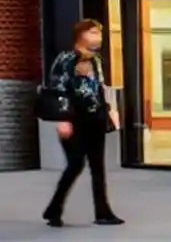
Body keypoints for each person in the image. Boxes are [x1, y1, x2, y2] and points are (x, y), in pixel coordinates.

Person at [42, 19, 124, 228]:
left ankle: (103, 212)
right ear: (81, 34)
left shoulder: (96, 60)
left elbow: (99, 87)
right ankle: (54, 208)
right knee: (75, 164)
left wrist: (110, 110)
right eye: (93, 32)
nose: (98, 37)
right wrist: (63, 119)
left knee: (98, 167)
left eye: (99, 33)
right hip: (74, 120)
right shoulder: (66, 59)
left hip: (95, 118)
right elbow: (57, 88)